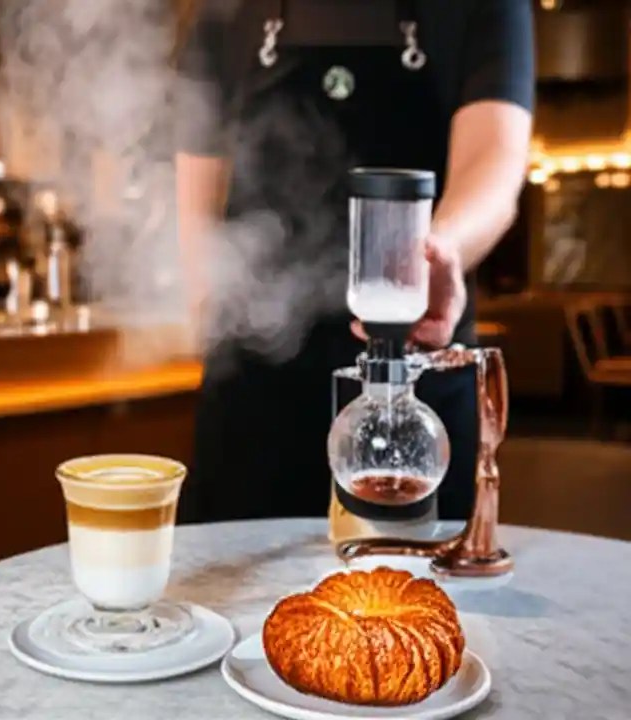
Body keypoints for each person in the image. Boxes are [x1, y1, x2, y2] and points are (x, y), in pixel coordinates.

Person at [174, 0, 534, 523]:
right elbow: (196, 212)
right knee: (234, 600)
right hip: (255, 396)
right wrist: (203, 293)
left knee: (418, 595)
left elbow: (493, 162)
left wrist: (440, 250)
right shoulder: (225, 9)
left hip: (415, 377)